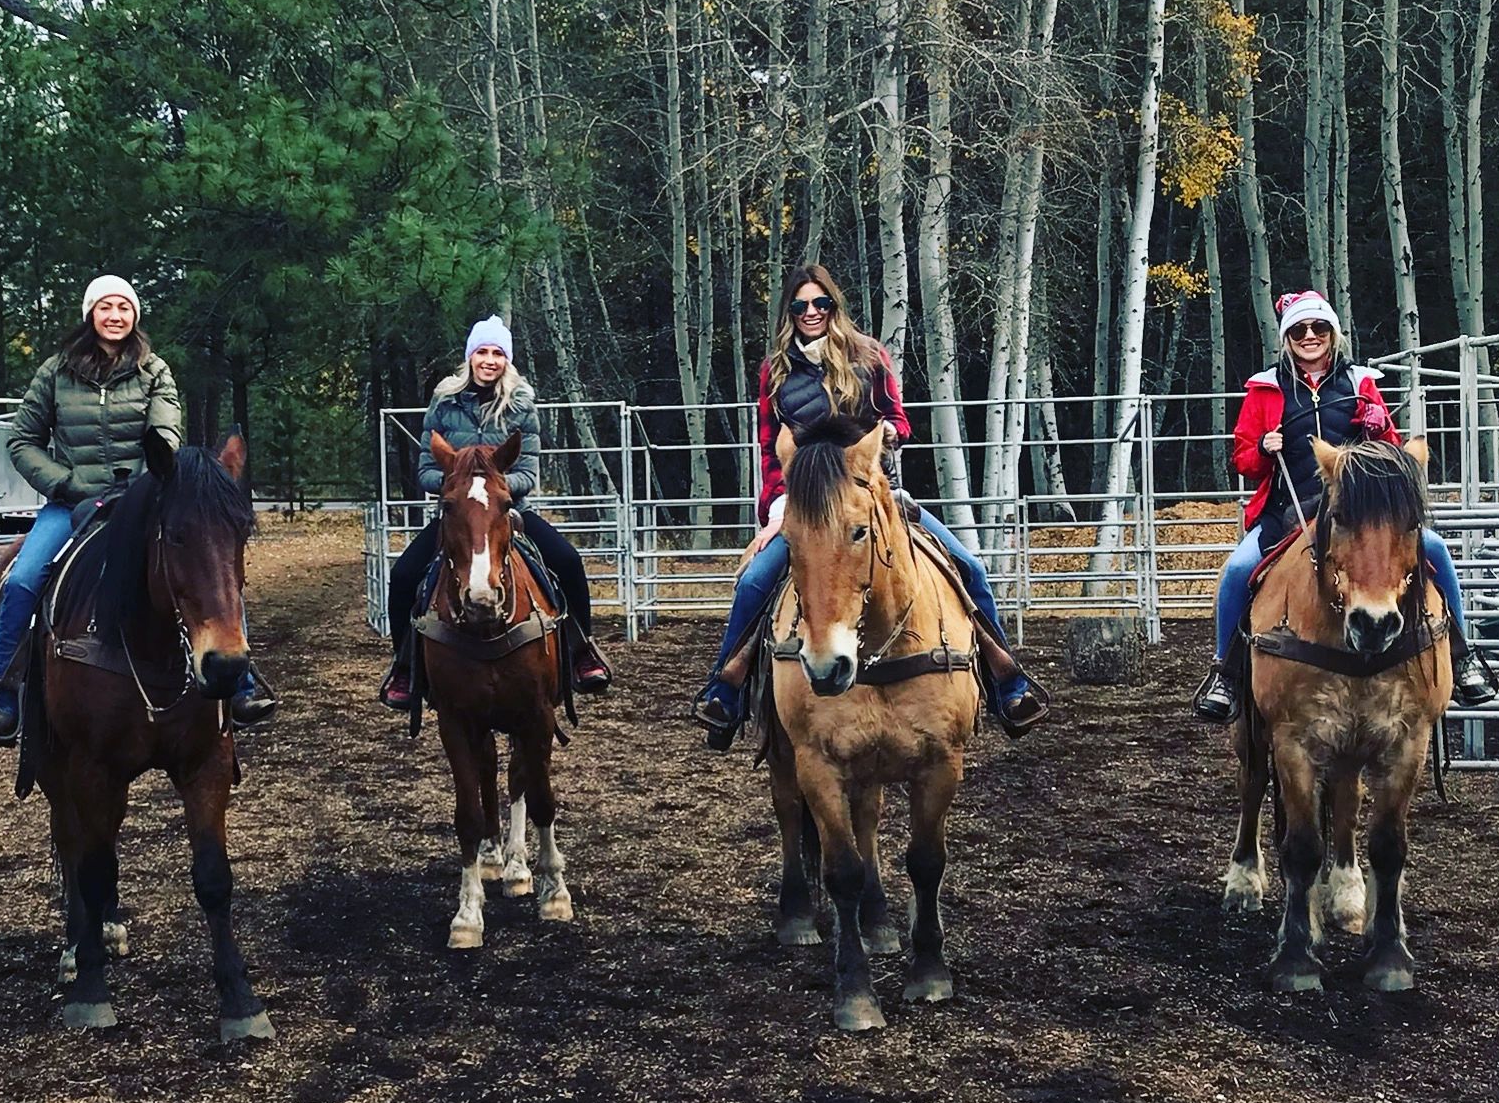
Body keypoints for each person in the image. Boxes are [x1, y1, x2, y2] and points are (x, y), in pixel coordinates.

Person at [690, 261, 1048, 751]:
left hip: (872, 490)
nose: (811, 312)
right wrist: (777, 511)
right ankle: (725, 691)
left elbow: (898, 420)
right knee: (754, 581)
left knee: (970, 568)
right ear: (789, 313)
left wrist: (883, 441)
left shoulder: (868, 357)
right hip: (807, 506)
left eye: (820, 303)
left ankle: (1009, 684)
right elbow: (770, 447)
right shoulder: (775, 372)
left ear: (833, 305)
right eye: (800, 305)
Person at [0, 275, 276, 743]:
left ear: (135, 316)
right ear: (90, 314)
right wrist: (65, 482)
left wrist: (158, 468)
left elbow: (166, 428)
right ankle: (5, 696)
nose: (115, 316)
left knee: (205, 565)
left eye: (124, 308)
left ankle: (241, 685)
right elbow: (22, 441)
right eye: (106, 307)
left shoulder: (154, 370)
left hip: (142, 498)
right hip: (72, 503)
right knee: (24, 579)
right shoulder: (55, 371)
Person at [1194, 289, 1499, 721]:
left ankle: (1463, 654)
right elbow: (1242, 459)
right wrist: (1263, 447)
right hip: (1290, 511)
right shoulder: (1264, 390)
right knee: (1239, 571)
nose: (1310, 336)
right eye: (1299, 329)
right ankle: (1225, 672)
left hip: (1360, 512)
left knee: (1435, 549)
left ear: (1333, 333)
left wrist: (1379, 430)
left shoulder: (1361, 383)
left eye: (1319, 327)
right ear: (1287, 338)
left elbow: (1393, 457)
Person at [379, 315, 613, 712]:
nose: (490, 360)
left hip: (509, 513)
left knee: (568, 562)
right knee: (403, 577)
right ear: (470, 357)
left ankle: (580, 650)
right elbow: (425, 469)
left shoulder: (521, 405)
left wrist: (494, 489)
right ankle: (405, 665)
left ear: (507, 360)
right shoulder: (443, 402)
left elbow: (527, 473)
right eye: (483, 352)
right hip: (456, 514)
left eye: (498, 353)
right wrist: (459, 487)